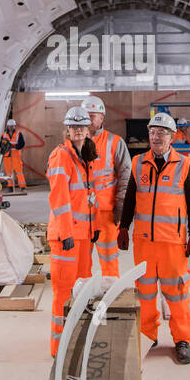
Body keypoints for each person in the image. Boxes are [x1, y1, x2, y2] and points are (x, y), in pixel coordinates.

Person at [117, 111, 190, 365]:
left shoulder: (184, 165)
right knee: (145, 292)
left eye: (162, 133)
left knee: (176, 293)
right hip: (144, 242)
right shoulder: (138, 163)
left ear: (172, 137)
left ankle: (182, 339)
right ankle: (147, 334)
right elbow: (131, 197)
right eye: (152, 132)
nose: (156, 137)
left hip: (173, 244)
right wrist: (123, 227)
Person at [46, 106, 99, 357]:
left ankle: (76, 338)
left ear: (88, 130)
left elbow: (89, 197)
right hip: (65, 238)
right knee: (64, 291)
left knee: (82, 290)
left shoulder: (85, 157)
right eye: (74, 127)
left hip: (83, 237)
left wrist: (95, 227)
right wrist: (66, 232)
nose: (78, 131)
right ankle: (59, 347)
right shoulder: (61, 156)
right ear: (67, 130)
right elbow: (59, 199)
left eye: (82, 127)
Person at [81, 95, 131, 277]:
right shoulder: (73, 142)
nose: (89, 119)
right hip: (81, 212)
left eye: (93, 115)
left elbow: (126, 174)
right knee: (81, 257)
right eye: (85, 115)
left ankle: (111, 293)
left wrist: (121, 204)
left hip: (106, 212)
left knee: (109, 256)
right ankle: (82, 294)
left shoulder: (115, 142)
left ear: (102, 117)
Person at [1, 117, 27, 189]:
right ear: (7, 126)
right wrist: (6, 147)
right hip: (7, 155)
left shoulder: (19, 133)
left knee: (19, 171)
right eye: (9, 126)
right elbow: (1, 145)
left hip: (16, 154)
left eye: (12, 126)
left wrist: (15, 146)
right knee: (8, 171)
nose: (11, 127)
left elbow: (22, 144)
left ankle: (22, 186)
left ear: (14, 126)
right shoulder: (4, 135)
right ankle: (10, 186)